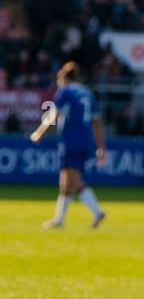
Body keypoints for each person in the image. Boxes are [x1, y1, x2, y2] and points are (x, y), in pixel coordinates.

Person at [30, 61, 107, 229]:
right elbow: (97, 123)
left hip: (72, 141)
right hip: (85, 141)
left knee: (73, 180)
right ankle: (59, 220)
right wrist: (101, 147)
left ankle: (97, 211)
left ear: (64, 77)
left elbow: (53, 115)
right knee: (66, 180)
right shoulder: (87, 93)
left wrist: (39, 133)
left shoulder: (66, 92)